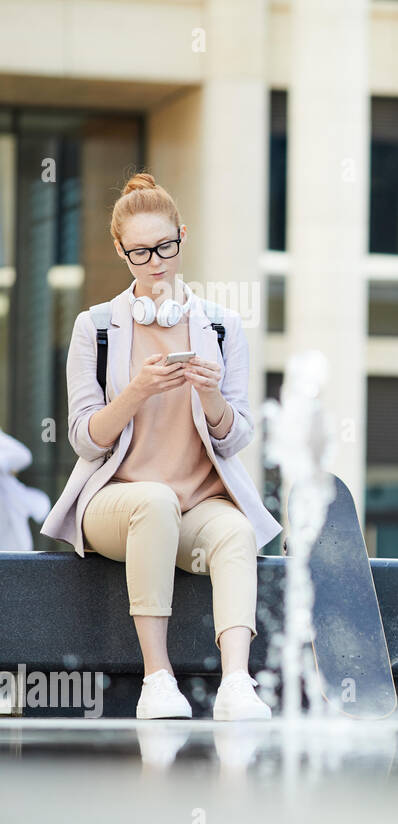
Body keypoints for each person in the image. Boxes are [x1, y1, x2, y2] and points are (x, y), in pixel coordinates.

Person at [40, 172, 283, 720]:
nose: (156, 262)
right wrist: (135, 392)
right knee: (152, 500)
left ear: (183, 237)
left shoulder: (220, 326)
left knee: (236, 530)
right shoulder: (95, 327)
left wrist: (212, 394)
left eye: (165, 246)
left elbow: (238, 434)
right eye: (140, 252)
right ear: (121, 253)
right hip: (117, 503)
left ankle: (237, 684)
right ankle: (157, 679)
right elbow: (84, 437)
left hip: (195, 506)